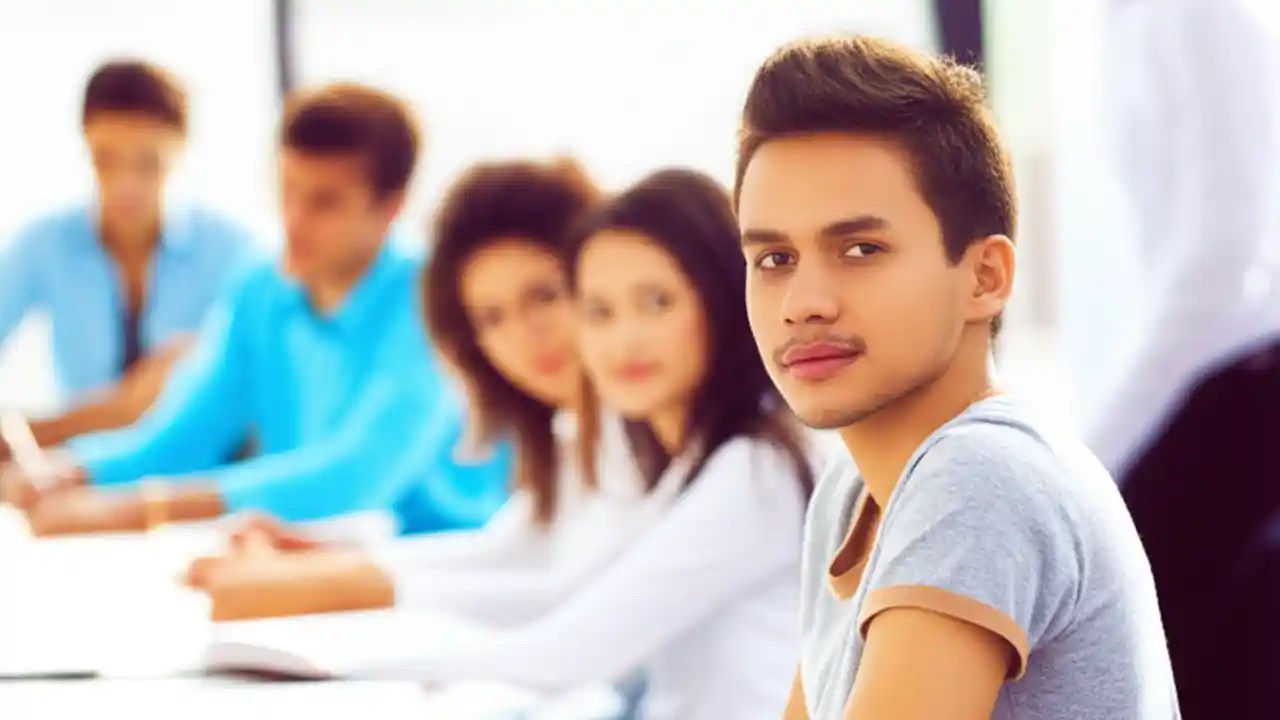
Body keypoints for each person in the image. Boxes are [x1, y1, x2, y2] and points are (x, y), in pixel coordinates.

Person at [734, 36, 1179, 718]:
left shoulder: (981, 476)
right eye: (774, 259)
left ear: (985, 277)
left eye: (861, 249)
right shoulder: (850, 491)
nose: (803, 303)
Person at [2, 83, 509, 538]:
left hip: (429, 557)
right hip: (303, 553)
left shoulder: (430, 297)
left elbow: (358, 475)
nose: (294, 219)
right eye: (287, 189)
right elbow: (183, 438)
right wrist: (65, 473)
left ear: (391, 208)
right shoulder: (260, 290)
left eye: (325, 202)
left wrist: (139, 509)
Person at [187, 158, 661, 624]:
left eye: (544, 296)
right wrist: (323, 560)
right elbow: (511, 549)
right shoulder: (570, 431)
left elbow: (577, 599)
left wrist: (322, 586)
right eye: (492, 318)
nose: (524, 335)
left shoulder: (641, 433)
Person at [0, 60, 255, 459]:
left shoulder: (232, 251)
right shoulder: (43, 245)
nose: (125, 185)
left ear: (181, 147)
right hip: (79, 472)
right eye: (105, 160)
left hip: (202, 473)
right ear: (85, 144)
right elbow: (143, 409)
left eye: (148, 163)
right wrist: (115, 411)